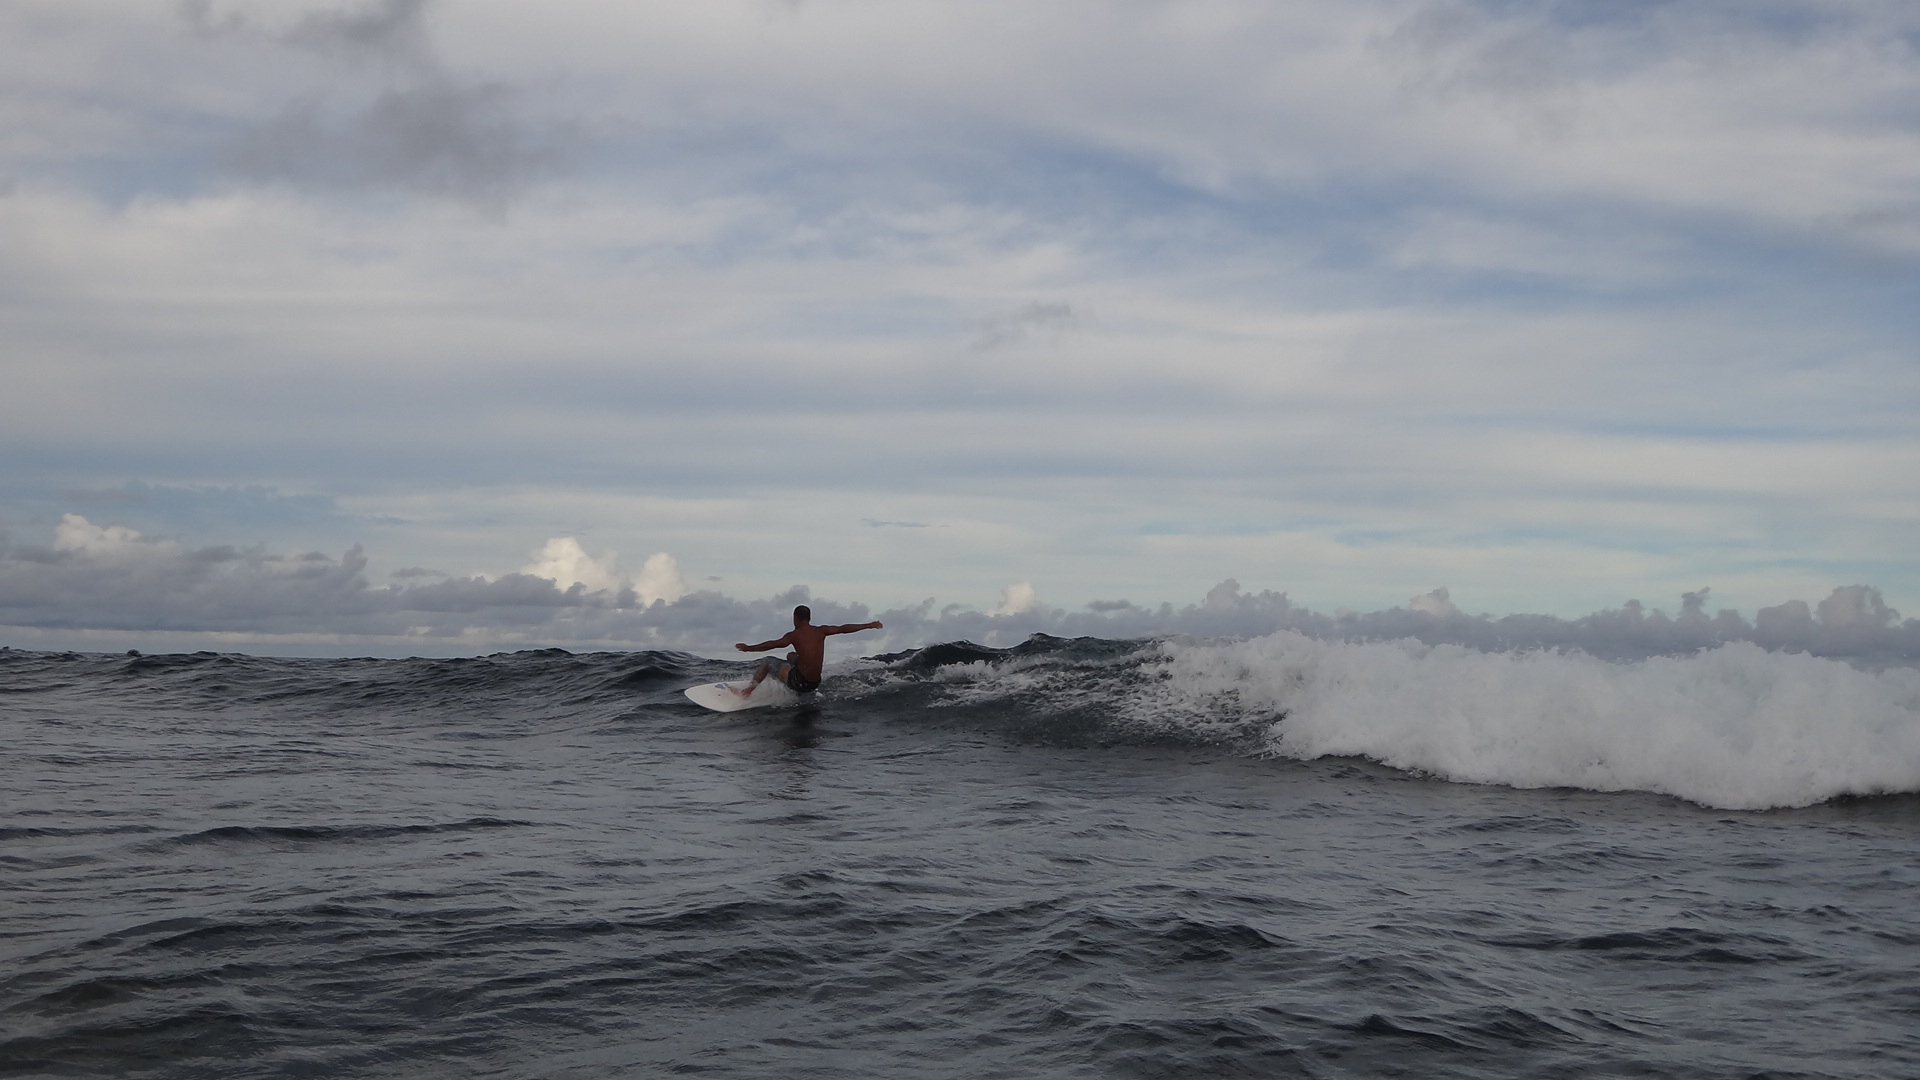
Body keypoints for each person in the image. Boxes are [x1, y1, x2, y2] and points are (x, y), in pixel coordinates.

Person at [733, 605, 882, 696]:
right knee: (791, 655)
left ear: (795, 618)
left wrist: (748, 648)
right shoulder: (820, 631)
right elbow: (843, 628)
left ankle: (747, 692)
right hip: (815, 683)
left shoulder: (794, 635)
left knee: (767, 662)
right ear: (809, 618)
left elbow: (773, 644)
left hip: (800, 683)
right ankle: (786, 677)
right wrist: (868, 625)